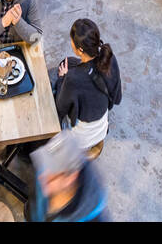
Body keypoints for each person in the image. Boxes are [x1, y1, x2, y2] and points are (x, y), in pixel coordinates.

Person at [52, 18, 122, 151]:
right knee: (68, 62)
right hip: (101, 127)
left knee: (54, 85)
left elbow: (60, 109)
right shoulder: (110, 58)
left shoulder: (73, 79)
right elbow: (117, 97)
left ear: (79, 50)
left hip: (81, 138)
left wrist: (62, 79)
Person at [29, 128, 109, 222]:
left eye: (51, 178)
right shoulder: (43, 175)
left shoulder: (93, 218)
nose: (41, 177)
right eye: (45, 167)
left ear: (70, 178)